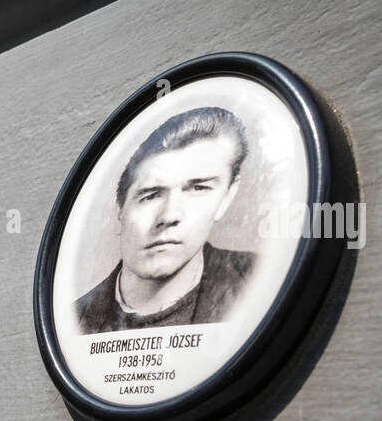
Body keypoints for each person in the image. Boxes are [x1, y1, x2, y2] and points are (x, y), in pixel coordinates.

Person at [74, 106, 255, 334]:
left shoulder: (262, 286)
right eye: (151, 195)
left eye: (198, 188)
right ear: (121, 208)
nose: (169, 216)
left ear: (227, 196)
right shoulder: (74, 322)